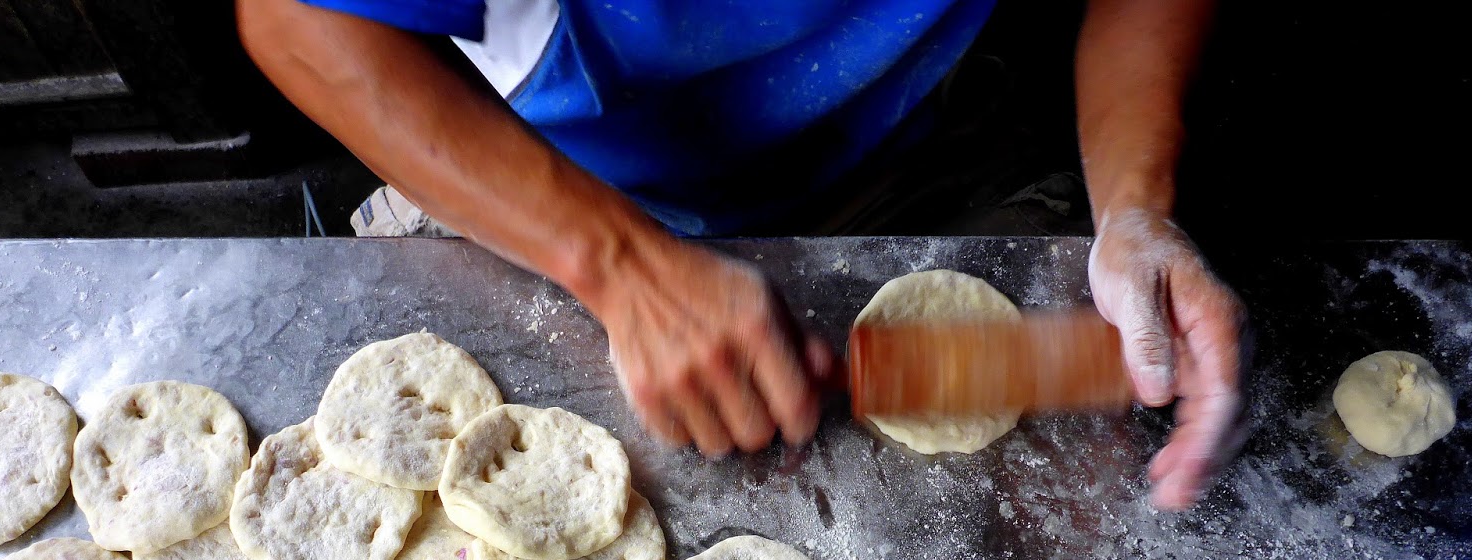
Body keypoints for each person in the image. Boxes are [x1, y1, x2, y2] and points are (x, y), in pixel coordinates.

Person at [238, 0, 1244, 510]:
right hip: (558, 180)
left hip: (922, 123)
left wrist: (1135, 202)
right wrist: (621, 268)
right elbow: (299, 20)